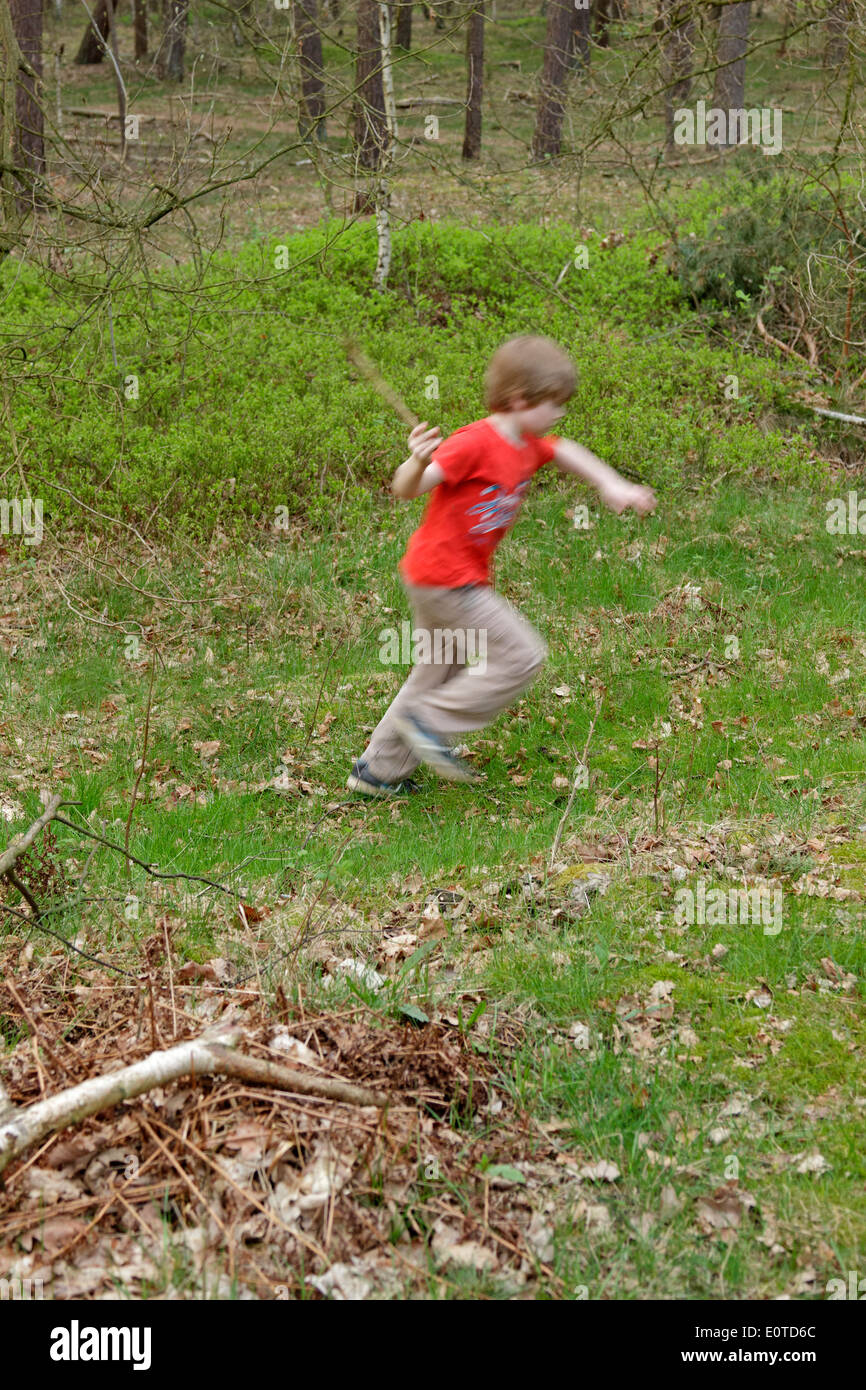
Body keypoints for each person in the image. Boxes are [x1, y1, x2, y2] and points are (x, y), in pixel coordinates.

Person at [347, 335, 656, 796]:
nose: (559, 413)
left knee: (439, 668)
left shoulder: (526, 444)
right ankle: (429, 721)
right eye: (553, 404)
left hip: (435, 576)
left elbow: (566, 450)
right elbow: (407, 488)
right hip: (447, 582)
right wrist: (415, 461)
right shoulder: (474, 443)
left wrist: (614, 486)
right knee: (522, 655)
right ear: (518, 399)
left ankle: (377, 773)